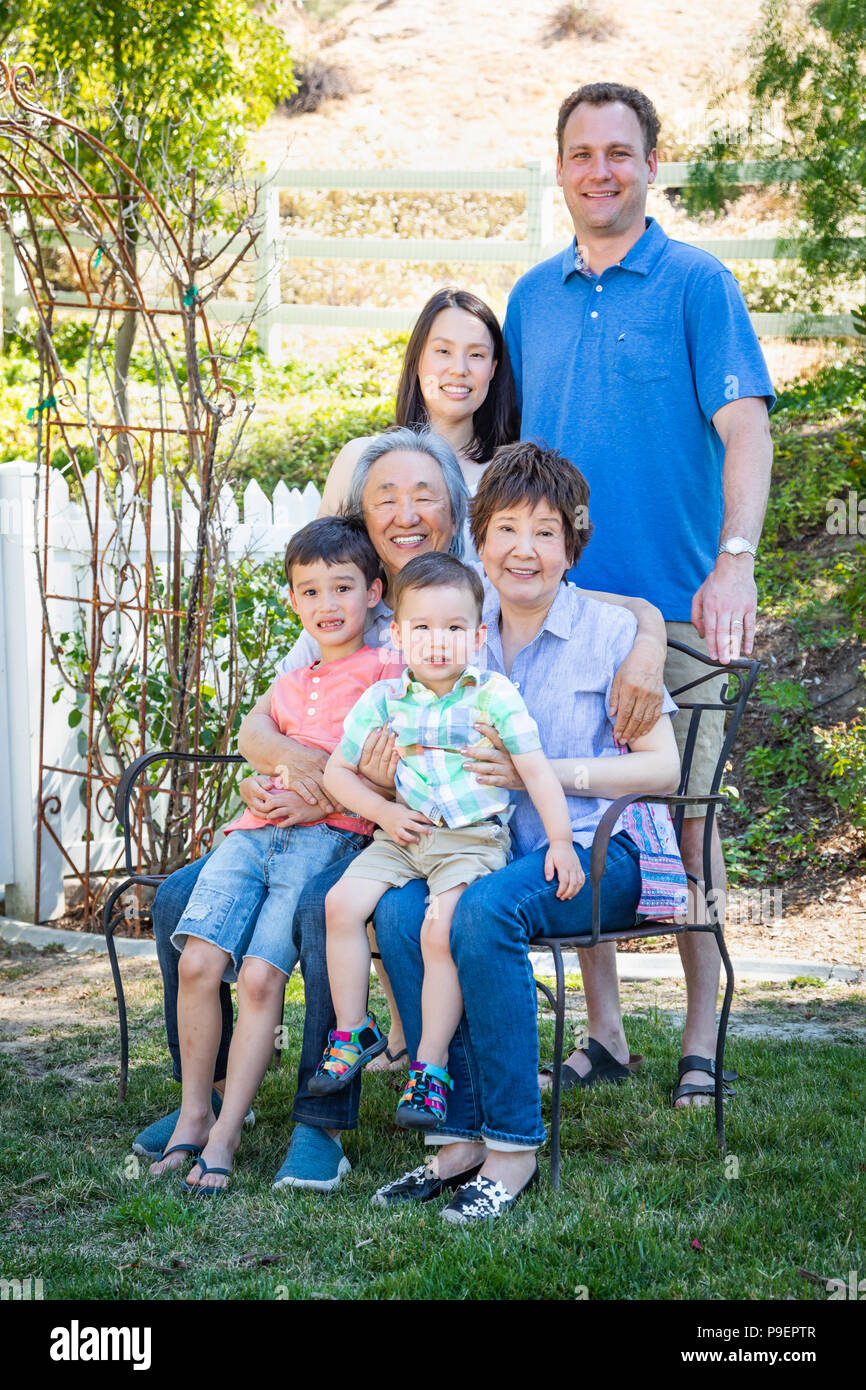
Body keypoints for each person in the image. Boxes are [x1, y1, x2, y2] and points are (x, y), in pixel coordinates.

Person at [133, 428, 667, 1185]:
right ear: (365, 515)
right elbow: (266, 718)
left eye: (425, 496)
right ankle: (217, 1097)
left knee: (331, 907)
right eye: (387, 498)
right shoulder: (352, 598)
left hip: (405, 832)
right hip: (340, 820)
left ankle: (325, 1120)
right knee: (179, 902)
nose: (406, 512)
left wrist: (647, 636)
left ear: (455, 515)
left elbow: (602, 606)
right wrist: (290, 765)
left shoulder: (468, 605)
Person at [293, 442, 683, 1219]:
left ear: (573, 545)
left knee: (485, 912)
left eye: (545, 533)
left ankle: (511, 1149)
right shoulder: (459, 630)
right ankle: (457, 1138)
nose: (524, 550)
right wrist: (376, 772)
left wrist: (549, 774)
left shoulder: (609, 634)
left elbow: (663, 771)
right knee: (403, 910)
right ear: (480, 537)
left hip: (602, 850)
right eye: (506, 530)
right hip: (490, 852)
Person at [503, 82, 775, 1106]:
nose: (599, 171)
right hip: (564, 615)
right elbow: (516, 461)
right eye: (580, 154)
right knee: (564, 807)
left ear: (649, 164)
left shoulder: (697, 284)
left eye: (618, 152)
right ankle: (607, 1032)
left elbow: (744, 426)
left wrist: (735, 555)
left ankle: (702, 1034)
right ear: (560, 167)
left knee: (688, 820)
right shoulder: (531, 297)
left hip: (676, 609)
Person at [148, 517, 390, 1191]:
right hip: (250, 836)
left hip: (326, 841)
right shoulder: (291, 679)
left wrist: (323, 800)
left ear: (375, 592)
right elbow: (260, 742)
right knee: (199, 959)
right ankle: (197, 1114)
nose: (328, 605)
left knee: (259, 978)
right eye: (310, 592)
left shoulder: (389, 675)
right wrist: (254, 780)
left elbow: (393, 767)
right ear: (293, 601)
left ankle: (227, 1137)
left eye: (343, 588)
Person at [309, 552, 580, 1132]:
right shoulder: (385, 699)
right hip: (405, 831)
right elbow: (336, 774)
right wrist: (383, 810)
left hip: (470, 841)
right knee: (339, 905)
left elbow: (534, 769)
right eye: (424, 629)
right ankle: (354, 1030)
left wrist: (560, 840)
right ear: (400, 636)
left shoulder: (492, 695)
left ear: (478, 636)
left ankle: (429, 1068)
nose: (439, 643)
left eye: (454, 628)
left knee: (438, 930)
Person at [318, 287, 518, 553]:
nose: (459, 369)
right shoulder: (358, 459)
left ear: (493, 368)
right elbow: (322, 573)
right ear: (418, 358)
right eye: (443, 351)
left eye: (476, 355)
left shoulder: (510, 476)